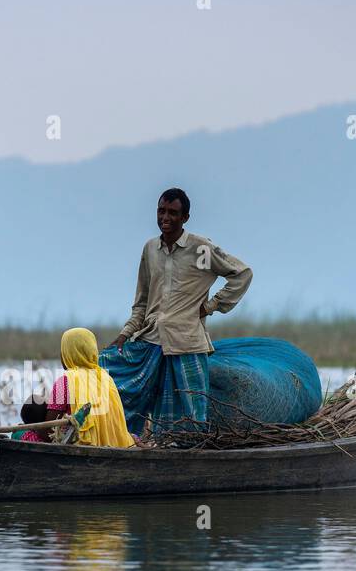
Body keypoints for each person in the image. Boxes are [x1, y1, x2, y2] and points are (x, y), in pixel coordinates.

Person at [101, 187, 253, 435]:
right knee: (105, 368)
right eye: (161, 211)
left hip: (187, 343)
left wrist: (210, 306)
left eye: (173, 213)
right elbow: (142, 302)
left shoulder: (200, 250)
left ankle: (186, 454)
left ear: (185, 218)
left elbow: (241, 274)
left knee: (192, 416)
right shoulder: (151, 250)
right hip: (151, 340)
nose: (165, 218)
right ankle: (126, 440)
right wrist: (124, 334)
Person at [44, 328, 135, 448]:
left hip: (81, 445)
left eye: (63, 351)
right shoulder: (106, 378)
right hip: (114, 445)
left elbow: (49, 430)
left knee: (22, 434)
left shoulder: (65, 382)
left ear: (69, 353)